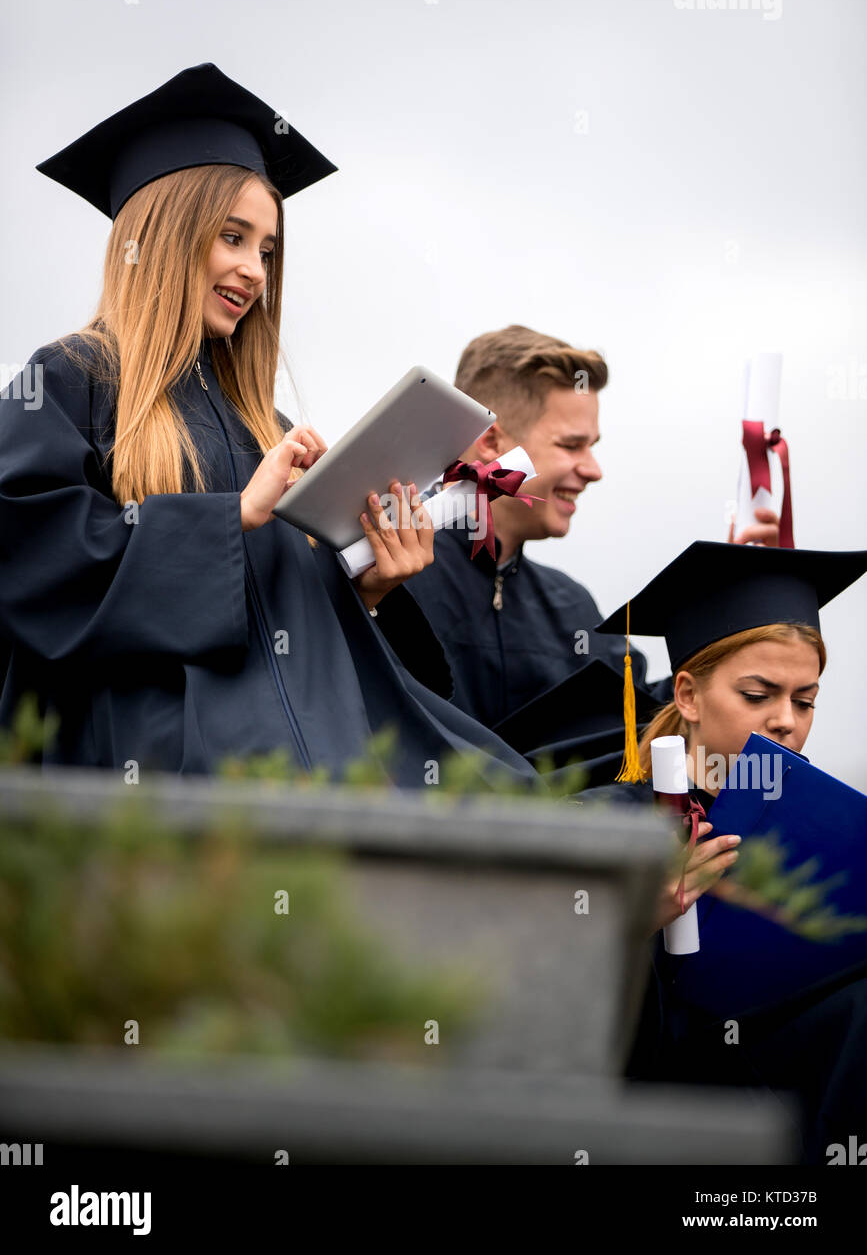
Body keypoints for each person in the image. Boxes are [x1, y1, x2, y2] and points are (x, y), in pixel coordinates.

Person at [0, 62, 540, 790]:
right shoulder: (71, 381)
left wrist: (367, 585)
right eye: (231, 237)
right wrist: (232, 517)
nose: (253, 270)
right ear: (159, 236)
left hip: (300, 761)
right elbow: (30, 562)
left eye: (266, 250)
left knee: (517, 796)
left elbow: (287, 628)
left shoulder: (269, 425)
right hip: (151, 770)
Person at [402, 325, 779, 777]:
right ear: (491, 441)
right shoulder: (388, 578)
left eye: (592, 446)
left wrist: (732, 604)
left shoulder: (573, 607)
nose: (594, 470)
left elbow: (650, 717)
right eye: (570, 445)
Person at [595, 539, 867, 1164]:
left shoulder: (816, 828)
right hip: (664, 1097)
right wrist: (632, 918)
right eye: (757, 694)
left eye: (805, 701)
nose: (785, 721)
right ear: (687, 696)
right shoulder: (607, 822)